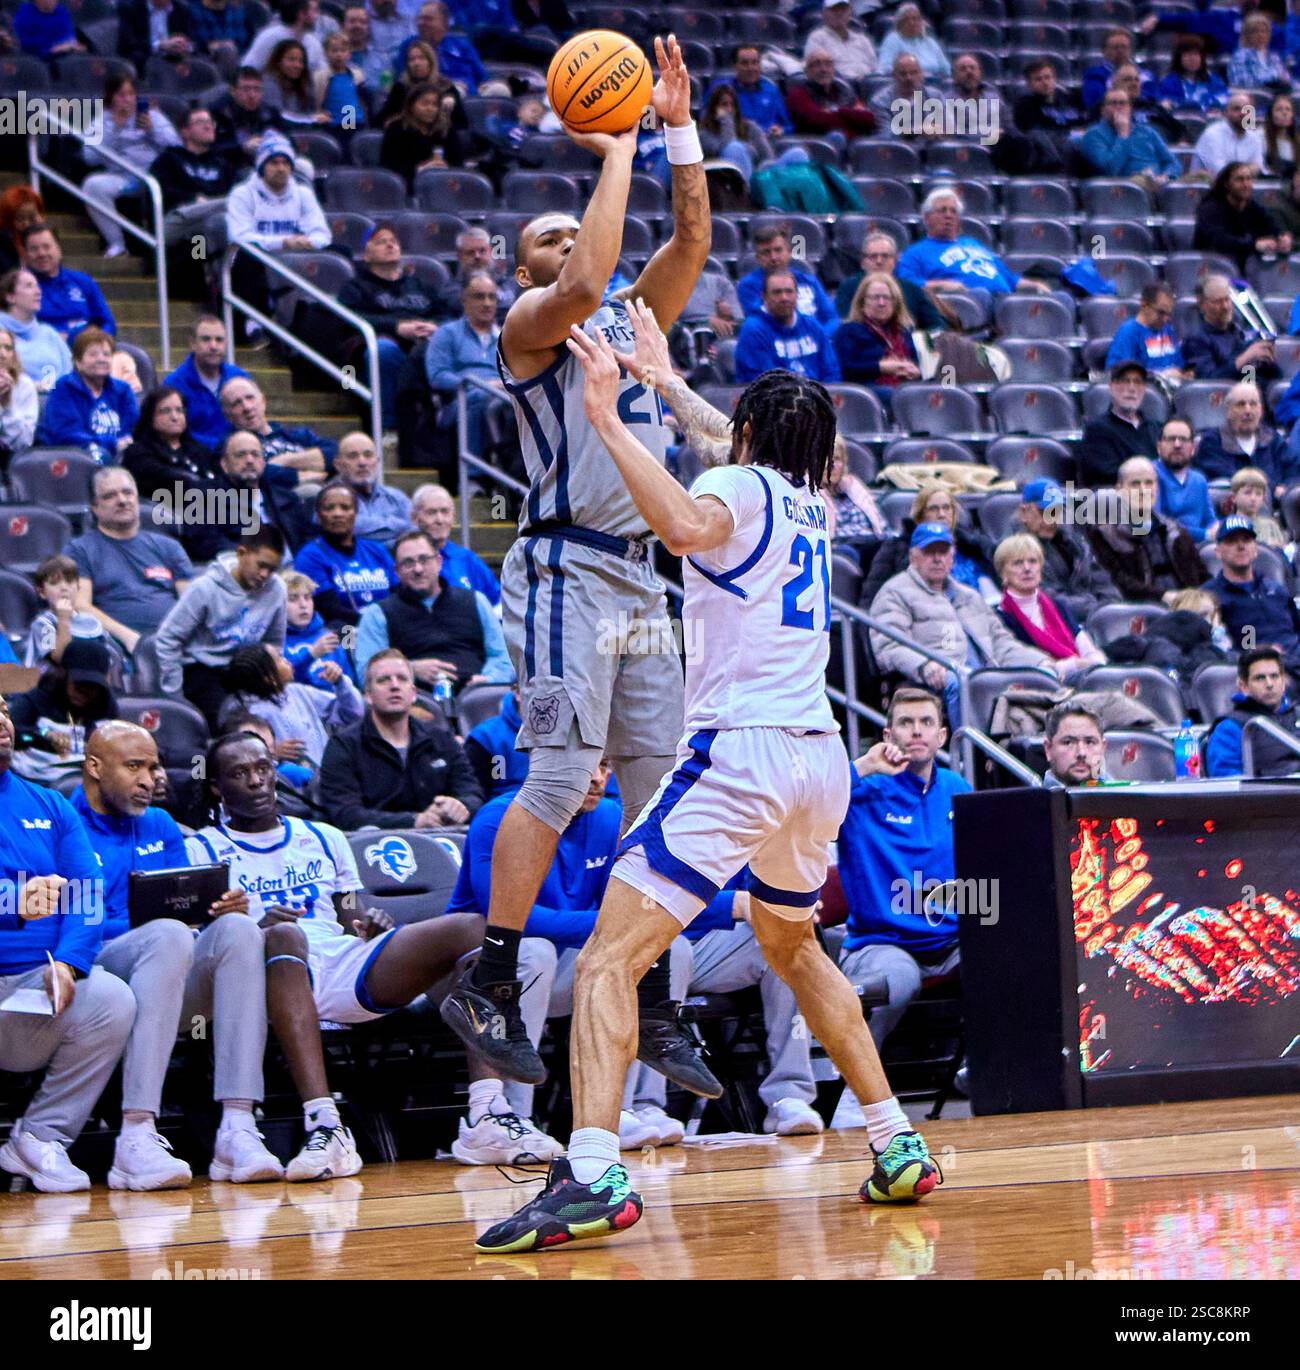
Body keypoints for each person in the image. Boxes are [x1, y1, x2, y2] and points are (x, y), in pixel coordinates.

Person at [476, 331, 940, 1256]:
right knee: (793, 943)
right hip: (819, 759)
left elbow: (688, 524)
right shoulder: (809, 501)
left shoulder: (734, 487)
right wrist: (670, 382)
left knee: (611, 960)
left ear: (750, 437)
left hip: (740, 755)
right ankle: (897, 1142)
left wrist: (610, 414)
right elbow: (732, 448)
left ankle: (594, 1173)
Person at [436, 39, 715, 1092]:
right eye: (545, 238)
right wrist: (617, 144)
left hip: (644, 578)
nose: (568, 245)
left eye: (571, 230)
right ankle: (495, 978)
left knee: (658, 786)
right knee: (558, 770)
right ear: (525, 272)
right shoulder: (530, 328)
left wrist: (676, 131)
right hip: (563, 571)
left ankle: (655, 994)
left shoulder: (629, 326)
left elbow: (687, 236)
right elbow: (594, 268)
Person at [447, 761, 793, 1151]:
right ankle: (507, 1117)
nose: (597, 776)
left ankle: (637, 1107)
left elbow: (652, 898)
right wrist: (612, 926)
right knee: (537, 951)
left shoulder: (610, 816)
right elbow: (512, 917)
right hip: (479, 970)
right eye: (588, 764)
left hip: (567, 967)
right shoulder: (500, 818)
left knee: (664, 947)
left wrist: (733, 904)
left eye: (606, 765)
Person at [190, 729, 485, 1179]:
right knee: (285, 935)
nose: (256, 781)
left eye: (263, 768)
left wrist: (368, 925)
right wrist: (255, 928)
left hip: (341, 966)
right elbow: (201, 946)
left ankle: (487, 1113)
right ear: (216, 787)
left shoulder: (323, 835)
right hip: (264, 983)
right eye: (239, 773)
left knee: (469, 928)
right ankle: (326, 1124)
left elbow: (350, 914)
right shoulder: (202, 848)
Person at [72, 721, 283, 1189]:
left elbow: (177, 912)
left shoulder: (162, 825)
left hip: (162, 970)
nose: (151, 779)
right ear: (93, 766)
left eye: (154, 766)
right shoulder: (61, 823)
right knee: (166, 935)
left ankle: (238, 1127)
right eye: (134, 767)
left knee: (239, 930)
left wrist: (214, 910)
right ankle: (136, 1134)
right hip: (94, 978)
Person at [0, 697, 135, 1194]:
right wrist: (13, 901)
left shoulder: (49, 804)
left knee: (111, 996)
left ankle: (39, 1137)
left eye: (5, 711)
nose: (1, 722)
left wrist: (71, 965)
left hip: (24, 994)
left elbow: (86, 893)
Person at [835, 689, 969, 1057]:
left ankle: (990, 1072)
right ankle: (856, 1084)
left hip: (952, 942)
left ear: (941, 736)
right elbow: (804, 800)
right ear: (888, 736)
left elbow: (981, 870)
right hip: (880, 944)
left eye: (927, 722)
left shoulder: (958, 790)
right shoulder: (862, 792)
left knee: (1008, 958)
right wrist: (863, 766)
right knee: (899, 979)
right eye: (905, 723)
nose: (916, 732)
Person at [869, 522, 1053, 727]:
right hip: (942, 678)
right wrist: (923, 665)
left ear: (952, 556)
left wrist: (1040, 663)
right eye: (929, 552)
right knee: (960, 682)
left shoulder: (970, 596)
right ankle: (971, 754)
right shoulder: (894, 592)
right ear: (913, 557)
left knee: (1045, 677)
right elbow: (888, 646)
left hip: (986, 674)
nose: (938, 558)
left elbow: (1002, 643)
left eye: (943, 551)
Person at [318, 647, 485, 828]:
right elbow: (345, 814)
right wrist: (414, 821)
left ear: (413, 693)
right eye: (383, 680)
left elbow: (473, 792)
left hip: (443, 842)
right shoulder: (343, 745)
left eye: (402, 679)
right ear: (368, 695)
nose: (394, 685)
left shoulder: (442, 739)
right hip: (371, 847)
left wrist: (460, 806)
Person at [155, 525, 287, 729]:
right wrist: (174, 693)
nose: (264, 574)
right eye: (261, 565)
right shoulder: (205, 587)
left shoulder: (277, 589)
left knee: (278, 717)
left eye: (272, 570)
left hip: (247, 670)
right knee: (233, 725)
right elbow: (168, 638)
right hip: (204, 669)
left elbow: (274, 642)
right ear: (242, 552)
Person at [353, 529, 511, 686]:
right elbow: (365, 674)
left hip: (478, 696)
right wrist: (409, 669)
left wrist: (487, 680)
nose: (418, 569)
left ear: (439, 562)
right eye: (408, 563)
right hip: (413, 702)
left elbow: (504, 657)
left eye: (424, 559)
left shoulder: (476, 601)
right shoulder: (377, 614)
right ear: (397, 571)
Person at [69, 467, 193, 655]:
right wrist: (130, 639)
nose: (122, 500)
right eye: (110, 496)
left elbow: (191, 602)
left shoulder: (169, 547)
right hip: (116, 647)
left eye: (128, 492)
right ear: (95, 507)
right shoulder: (79, 550)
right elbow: (80, 606)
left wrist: (177, 637)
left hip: (177, 644)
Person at [225, 130, 330, 342]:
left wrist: (309, 242)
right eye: (274, 162)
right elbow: (239, 237)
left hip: (294, 256)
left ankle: (320, 321)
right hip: (258, 258)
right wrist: (283, 242)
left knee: (339, 254)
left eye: (285, 163)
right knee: (246, 256)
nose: (281, 168)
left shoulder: (303, 194)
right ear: (262, 166)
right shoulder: (242, 194)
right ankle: (251, 323)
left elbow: (322, 234)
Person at [336, 224, 440, 431]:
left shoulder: (420, 286)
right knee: (383, 350)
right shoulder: (356, 286)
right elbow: (349, 319)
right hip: (384, 348)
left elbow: (445, 313)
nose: (390, 244)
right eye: (381, 241)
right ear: (367, 254)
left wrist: (433, 326)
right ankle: (387, 428)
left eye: (393, 241)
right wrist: (397, 327)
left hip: (425, 345)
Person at [897, 188, 1051, 313]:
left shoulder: (973, 244)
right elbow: (905, 285)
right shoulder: (915, 253)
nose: (949, 216)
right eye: (942, 210)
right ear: (927, 218)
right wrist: (942, 284)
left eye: (953, 211)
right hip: (967, 305)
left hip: (1005, 301)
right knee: (981, 294)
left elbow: (1009, 279)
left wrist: (1035, 285)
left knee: (1062, 298)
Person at [81, 74, 181, 259]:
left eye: (131, 94)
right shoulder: (101, 121)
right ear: (111, 97)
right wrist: (114, 130)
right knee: (92, 185)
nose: (126, 99)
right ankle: (117, 244)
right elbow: (89, 157)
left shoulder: (152, 115)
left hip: (154, 176)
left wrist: (152, 130)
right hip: (123, 178)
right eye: (120, 94)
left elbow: (177, 147)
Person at [219, 641, 363, 768]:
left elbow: (353, 714)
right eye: (280, 658)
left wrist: (340, 683)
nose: (287, 661)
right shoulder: (248, 712)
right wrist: (270, 754)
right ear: (269, 678)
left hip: (325, 777)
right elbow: (240, 758)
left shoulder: (297, 691)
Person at [424, 272, 516, 470]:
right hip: (459, 401)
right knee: (481, 399)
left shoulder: (507, 337)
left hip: (502, 396)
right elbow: (438, 377)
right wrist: (475, 383)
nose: (487, 303)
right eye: (479, 296)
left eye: (492, 297)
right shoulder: (446, 334)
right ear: (463, 300)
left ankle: (515, 473)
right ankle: (473, 476)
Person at [1086, 456, 1206, 602]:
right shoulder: (1103, 535)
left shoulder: (1175, 529)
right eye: (1135, 484)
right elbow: (1118, 583)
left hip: (1187, 606)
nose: (1143, 490)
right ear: (1119, 490)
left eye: (1149, 483)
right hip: (1142, 612)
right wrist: (1164, 596)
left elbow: (1201, 575)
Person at [861, 482, 996, 609]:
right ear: (920, 516)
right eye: (933, 509)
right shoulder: (897, 548)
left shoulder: (975, 545)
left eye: (946, 508)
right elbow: (873, 598)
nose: (941, 514)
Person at [993, 534, 1106, 682]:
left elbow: (1091, 653)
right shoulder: (999, 619)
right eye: (1017, 563)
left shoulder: (1059, 606)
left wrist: (1092, 662)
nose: (1027, 568)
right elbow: (1022, 667)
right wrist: (1074, 664)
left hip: (1081, 679)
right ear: (1003, 573)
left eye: (1033, 561)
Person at [6, 638, 117, 785]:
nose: (83, 692)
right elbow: (13, 735)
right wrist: (44, 734)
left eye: (92, 686)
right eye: (78, 684)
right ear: (63, 676)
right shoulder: (34, 700)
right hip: (34, 780)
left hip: (85, 779)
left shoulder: (104, 708)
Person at [293, 479, 398, 625]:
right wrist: (372, 624)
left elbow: (399, 593)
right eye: (329, 508)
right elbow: (329, 609)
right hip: (343, 630)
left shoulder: (377, 550)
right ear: (318, 515)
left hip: (385, 626)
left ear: (355, 512)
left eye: (345, 507)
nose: (337, 514)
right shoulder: (310, 556)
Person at [1016, 479, 1119, 624]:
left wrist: (1112, 606)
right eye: (1044, 511)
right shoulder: (1016, 552)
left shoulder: (1074, 542)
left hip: (1094, 619)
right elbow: (1047, 600)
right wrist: (1098, 610)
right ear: (1024, 512)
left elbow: (1101, 580)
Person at [1205, 516, 1300, 668]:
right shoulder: (1210, 596)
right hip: (1259, 668)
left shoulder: (1276, 589)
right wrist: (1262, 654)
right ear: (1218, 551)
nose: (1241, 546)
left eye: (1246, 540)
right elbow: (1214, 648)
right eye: (1232, 541)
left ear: (1255, 549)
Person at [36, 327, 140, 464]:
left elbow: (132, 429)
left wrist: (123, 444)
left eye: (107, 354)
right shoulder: (64, 387)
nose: (101, 359)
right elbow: (65, 434)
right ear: (78, 362)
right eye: (93, 354)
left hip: (120, 455)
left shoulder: (123, 390)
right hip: (74, 459)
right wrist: (112, 443)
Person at [1205, 646, 1300, 776]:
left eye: (1274, 676)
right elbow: (1227, 784)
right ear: (1243, 686)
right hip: (1267, 795)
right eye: (1260, 678)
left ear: (1283, 682)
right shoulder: (1230, 728)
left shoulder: (1298, 715)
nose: (1269, 684)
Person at [735, 268, 840, 384]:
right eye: (777, 292)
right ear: (764, 297)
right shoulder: (753, 330)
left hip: (816, 397)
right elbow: (764, 383)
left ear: (797, 295)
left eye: (789, 291)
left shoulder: (812, 325)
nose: (784, 298)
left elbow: (831, 372)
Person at [219, 374, 333, 481]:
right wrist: (300, 475)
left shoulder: (298, 434)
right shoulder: (230, 447)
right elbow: (256, 476)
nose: (247, 407)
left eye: (250, 398)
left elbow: (335, 453)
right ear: (227, 415)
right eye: (236, 403)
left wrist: (285, 461)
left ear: (263, 401)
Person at [163, 315, 250, 454]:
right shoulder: (173, 385)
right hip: (192, 458)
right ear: (192, 343)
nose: (213, 346)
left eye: (219, 340)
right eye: (206, 339)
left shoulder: (240, 378)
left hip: (239, 456)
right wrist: (222, 446)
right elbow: (172, 433)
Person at [149, 105, 240, 235]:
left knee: (219, 220)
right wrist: (192, 198)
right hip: (178, 217)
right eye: (200, 122)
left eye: (210, 122)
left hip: (213, 215)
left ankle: (205, 255)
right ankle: (198, 255)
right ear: (185, 132)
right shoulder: (169, 159)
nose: (208, 126)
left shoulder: (222, 164)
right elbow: (162, 192)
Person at [736, 222, 839, 334]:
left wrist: (818, 338)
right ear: (758, 258)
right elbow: (759, 323)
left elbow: (832, 319)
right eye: (766, 252)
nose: (773, 257)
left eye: (778, 250)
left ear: (788, 252)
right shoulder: (748, 286)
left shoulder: (808, 280)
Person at [834, 272, 920, 403]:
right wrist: (880, 367)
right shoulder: (848, 330)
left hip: (904, 388)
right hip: (864, 394)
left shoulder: (904, 332)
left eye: (887, 298)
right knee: (894, 394)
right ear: (862, 302)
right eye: (875, 298)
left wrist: (913, 372)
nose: (881, 303)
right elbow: (844, 368)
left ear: (895, 302)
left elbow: (916, 363)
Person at [22, 223, 116, 341]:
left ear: (58, 249)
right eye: (34, 249)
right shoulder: (19, 287)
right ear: (25, 255)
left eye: (46, 247)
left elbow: (107, 323)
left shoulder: (83, 281)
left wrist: (97, 340)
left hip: (86, 349)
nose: (41, 253)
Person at [1193, 160, 1292, 271]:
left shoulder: (1252, 206)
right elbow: (1219, 241)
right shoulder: (1209, 209)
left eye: (1249, 179)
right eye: (1239, 180)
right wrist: (1255, 245)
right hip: (1213, 268)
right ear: (1226, 184)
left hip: (1247, 269)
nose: (1246, 184)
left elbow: (1268, 224)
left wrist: (1281, 237)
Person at [410, 481, 500, 604]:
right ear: (415, 518)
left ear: (453, 516)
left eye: (445, 512)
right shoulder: (406, 560)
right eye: (431, 513)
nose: (440, 520)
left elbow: (496, 600)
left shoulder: (467, 559)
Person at [1195, 380, 1293, 492]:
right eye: (1241, 404)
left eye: (1253, 404)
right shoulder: (1212, 441)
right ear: (1228, 410)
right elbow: (1218, 474)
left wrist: (1286, 486)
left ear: (1261, 410)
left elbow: (1293, 470)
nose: (1248, 410)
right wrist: (1267, 487)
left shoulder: (1274, 440)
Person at [1182, 274, 1280, 384]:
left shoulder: (1241, 333)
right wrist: (1245, 358)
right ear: (1202, 305)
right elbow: (1208, 382)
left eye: (1227, 299)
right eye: (1217, 302)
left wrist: (1268, 360)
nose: (1225, 306)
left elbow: (1269, 376)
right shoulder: (1196, 340)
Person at [1079, 361, 1162, 488]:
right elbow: (1106, 474)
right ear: (1112, 387)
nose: (1132, 388)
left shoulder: (1156, 428)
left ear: (1144, 389)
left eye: (1137, 382)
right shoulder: (1097, 429)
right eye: (1125, 381)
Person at [379, 78, 471, 191]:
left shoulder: (446, 129)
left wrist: (445, 169)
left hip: (443, 188)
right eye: (424, 103)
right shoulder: (396, 128)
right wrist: (419, 170)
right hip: (405, 189)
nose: (430, 109)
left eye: (435, 104)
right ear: (411, 105)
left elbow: (457, 164)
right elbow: (388, 167)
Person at [1080, 85, 1181, 183]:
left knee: (1195, 180)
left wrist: (1166, 176)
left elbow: (1172, 162)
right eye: (1113, 103)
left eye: (1123, 103)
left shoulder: (1147, 131)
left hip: (1158, 185)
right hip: (1124, 191)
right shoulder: (1093, 136)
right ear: (1103, 110)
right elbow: (1109, 170)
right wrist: (1123, 135)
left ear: (1130, 108)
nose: (1118, 107)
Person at [332, 429, 412, 547]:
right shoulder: (327, 499)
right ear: (338, 465)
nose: (362, 462)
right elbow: (346, 530)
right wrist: (396, 528)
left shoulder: (397, 497)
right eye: (353, 456)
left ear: (377, 461)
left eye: (368, 455)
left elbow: (415, 529)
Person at [1105, 281, 1190, 386]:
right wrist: (1160, 376)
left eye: (1169, 314)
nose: (1166, 319)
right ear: (1144, 305)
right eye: (1161, 312)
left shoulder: (1168, 330)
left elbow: (1179, 366)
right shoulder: (1128, 332)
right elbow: (1119, 373)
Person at [0, 267, 71, 390]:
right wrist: (31, 387)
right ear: (10, 297)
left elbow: (70, 372)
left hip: (56, 402)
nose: (38, 292)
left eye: (37, 286)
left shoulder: (49, 333)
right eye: (29, 286)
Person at [397, 2, 487, 97]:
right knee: (455, 91)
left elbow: (482, 77)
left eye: (428, 19)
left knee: (498, 89)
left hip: (471, 97)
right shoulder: (408, 46)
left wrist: (483, 86)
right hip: (433, 97)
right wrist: (448, 85)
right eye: (420, 18)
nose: (421, 23)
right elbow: (405, 80)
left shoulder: (462, 45)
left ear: (445, 23)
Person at [705, 44, 793, 138]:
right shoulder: (720, 89)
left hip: (770, 142)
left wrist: (781, 130)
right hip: (737, 141)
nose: (751, 68)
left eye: (755, 63)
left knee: (798, 152)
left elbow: (788, 126)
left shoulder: (771, 90)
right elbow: (707, 120)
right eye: (744, 63)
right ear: (735, 66)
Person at [212, 65, 291, 167]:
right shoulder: (217, 112)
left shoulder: (270, 113)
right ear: (233, 91)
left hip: (270, 160)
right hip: (232, 165)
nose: (252, 95)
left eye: (257, 89)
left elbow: (289, 139)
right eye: (246, 89)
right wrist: (242, 148)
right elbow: (210, 148)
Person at [698, 82, 777, 183]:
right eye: (724, 105)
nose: (729, 109)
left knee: (797, 154)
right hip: (725, 183)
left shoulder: (750, 127)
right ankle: (747, 195)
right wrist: (726, 121)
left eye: (732, 105)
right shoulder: (704, 134)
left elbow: (768, 158)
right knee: (734, 147)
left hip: (759, 177)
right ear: (714, 109)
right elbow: (726, 149)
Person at [786, 52, 876, 140]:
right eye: (817, 65)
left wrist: (837, 110)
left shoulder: (845, 90)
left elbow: (868, 118)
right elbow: (817, 120)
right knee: (836, 136)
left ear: (833, 69)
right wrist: (853, 120)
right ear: (807, 71)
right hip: (817, 144)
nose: (824, 69)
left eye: (828, 64)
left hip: (852, 143)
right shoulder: (798, 93)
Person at [1155, 415, 1216, 541]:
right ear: (1159, 447)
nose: (1177, 445)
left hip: (1199, 548)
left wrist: (1218, 530)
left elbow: (1209, 520)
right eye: (1171, 439)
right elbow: (1157, 524)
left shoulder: (1199, 480)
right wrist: (1204, 534)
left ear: (1193, 448)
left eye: (1183, 439)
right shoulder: (1149, 475)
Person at [464, 685, 526, 799]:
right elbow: (474, 797)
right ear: (518, 693)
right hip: (504, 810)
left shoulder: (567, 733)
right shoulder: (485, 738)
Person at [868, 52, 947, 134]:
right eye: (903, 74)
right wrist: (919, 130)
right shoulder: (880, 101)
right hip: (895, 146)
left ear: (921, 74)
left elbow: (946, 128)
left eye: (913, 73)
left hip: (931, 144)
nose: (909, 78)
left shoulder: (935, 96)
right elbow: (886, 134)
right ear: (894, 75)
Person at [243, 0, 328, 76]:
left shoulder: (313, 42)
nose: (317, 16)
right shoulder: (270, 37)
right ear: (301, 14)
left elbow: (324, 73)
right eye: (314, 10)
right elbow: (248, 68)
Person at [1193, 90, 1267, 176]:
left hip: (1243, 186)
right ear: (1225, 113)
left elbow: (1258, 168)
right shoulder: (1212, 135)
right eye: (1237, 109)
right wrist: (1249, 169)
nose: (1243, 113)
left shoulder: (1255, 138)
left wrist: (1246, 171)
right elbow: (1221, 173)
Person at [804, 0, 878, 83]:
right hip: (837, 87)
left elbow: (875, 68)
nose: (839, 13)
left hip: (868, 85)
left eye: (843, 9)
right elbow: (815, 70)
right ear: (824, 13)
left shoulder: (863, 40)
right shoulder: (817, 38)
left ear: (850, 13)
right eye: (834, 10)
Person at [1153, 34, 1228, 112]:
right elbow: (1165, 104)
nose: (1192, 59)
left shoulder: (1213, 79)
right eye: (1187, 55)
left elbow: (1224, 99)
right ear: (1179, 59)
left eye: (1196, 54)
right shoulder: (1169, 83)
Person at [1041, 702, 1109, 788]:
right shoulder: (1030, 801)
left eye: (1090, 742)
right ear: (1048, 749)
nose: (1081, 753)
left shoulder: (1127, 798)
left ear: (1103, 748)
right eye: (1068, 742)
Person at [1081, 26, 1151, 109]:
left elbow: (1153, 98)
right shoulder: (1094, 74)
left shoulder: (1145, 75)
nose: (1120, 51)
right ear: (1104, 51)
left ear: (1130, 50)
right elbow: (1092, 101)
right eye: (1115, 47)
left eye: (1124, 47)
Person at [117, 0, 193, 73]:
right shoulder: (130, 8)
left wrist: (184, 45)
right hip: (144, 60)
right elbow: (127, 43)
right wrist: (159, 45)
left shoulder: (181, 9)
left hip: (175, 61)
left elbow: (192, 41)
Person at [878, 2, 949, 79]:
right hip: (910, 84)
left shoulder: (929, 42)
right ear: (899, 23)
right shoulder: (893, 40)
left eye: (915, 19)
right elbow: (885, 68)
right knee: (918, 91)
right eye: (906, 20)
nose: (912, 23)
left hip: (935, 83)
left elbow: (946, 69)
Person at [315, 29, 369, 131]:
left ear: (349, 54)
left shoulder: (357, 75)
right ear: (326, 53)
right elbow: (316, 100)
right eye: (334, 51)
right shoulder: (321, 76)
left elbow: (362, 100)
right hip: (334, 124)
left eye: (343, 50)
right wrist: (319, 113)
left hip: (356, 123)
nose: (339, 55)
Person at [262, 38, 322, 121]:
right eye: (291, 59)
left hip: (302, 130)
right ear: (278, 61)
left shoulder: (304, 82)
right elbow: (279, 116)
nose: (297, 65)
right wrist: (312, 119)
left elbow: (312, 110)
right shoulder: (268, 81)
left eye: (301, 61)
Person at [0, 324, 38, 454]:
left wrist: (7, 405)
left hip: (10, 459)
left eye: (8, 348)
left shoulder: (25, 386)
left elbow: (23, 443)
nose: (2, 354)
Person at [1227, 466, 1287, 546]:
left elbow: (1281, 554)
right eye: (1247, 493)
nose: (1253, 498)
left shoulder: (1271, 526)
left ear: (1263, 499)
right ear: (1234, 497)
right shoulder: (1228, 526)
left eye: (1258, 494)